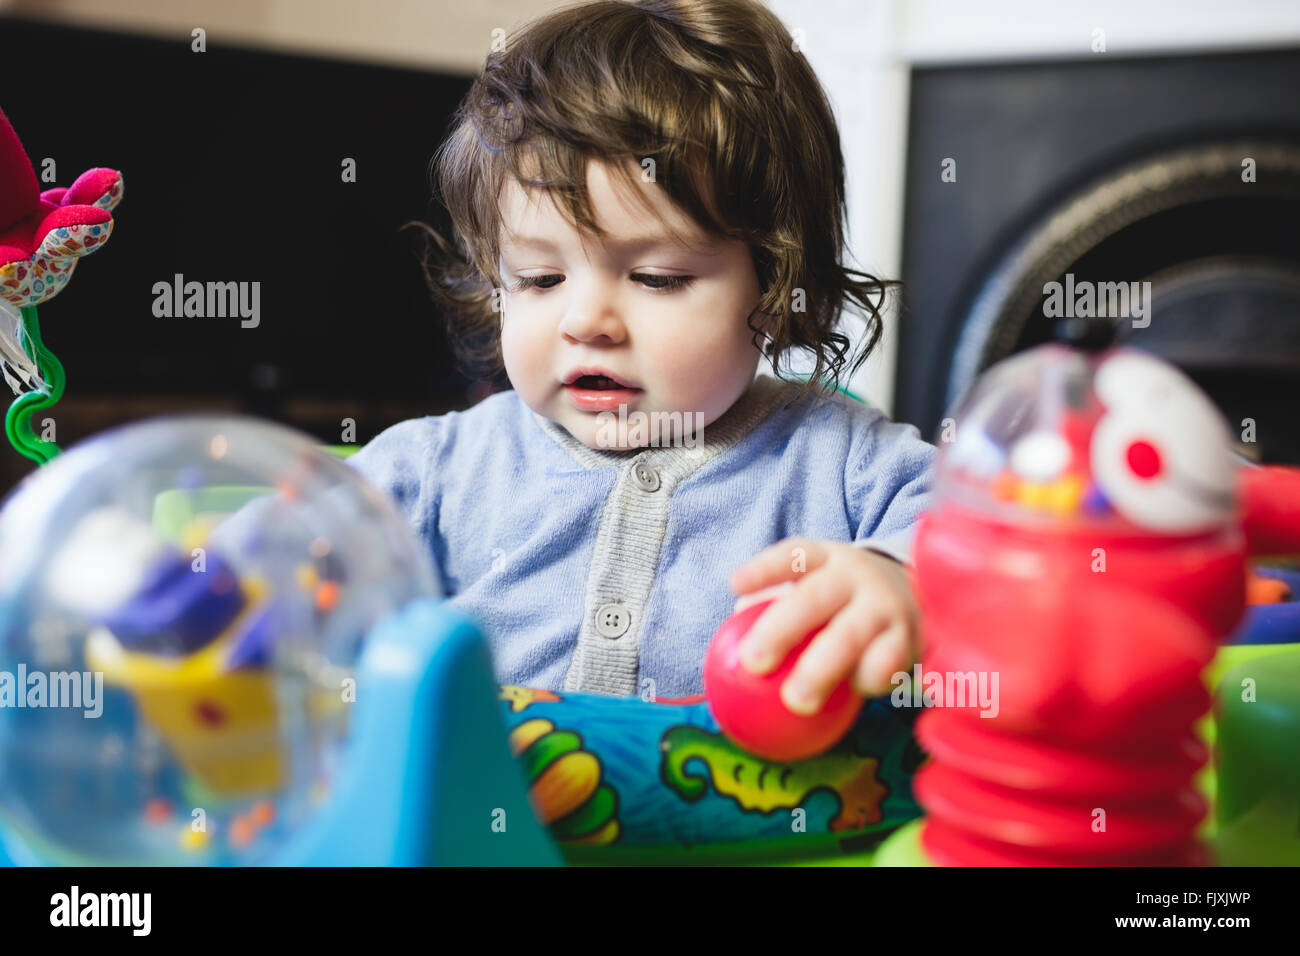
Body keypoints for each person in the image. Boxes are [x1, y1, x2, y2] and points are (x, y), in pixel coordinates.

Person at [349, 0, 934, 714]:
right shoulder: (435, 469)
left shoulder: (841, 463)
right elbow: (289, 541)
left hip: (761, 821)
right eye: (539, 280)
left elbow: (988, 532)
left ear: (780, 288)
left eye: (657, 277)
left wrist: (896, 577)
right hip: (488, 822)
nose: (586, 321)